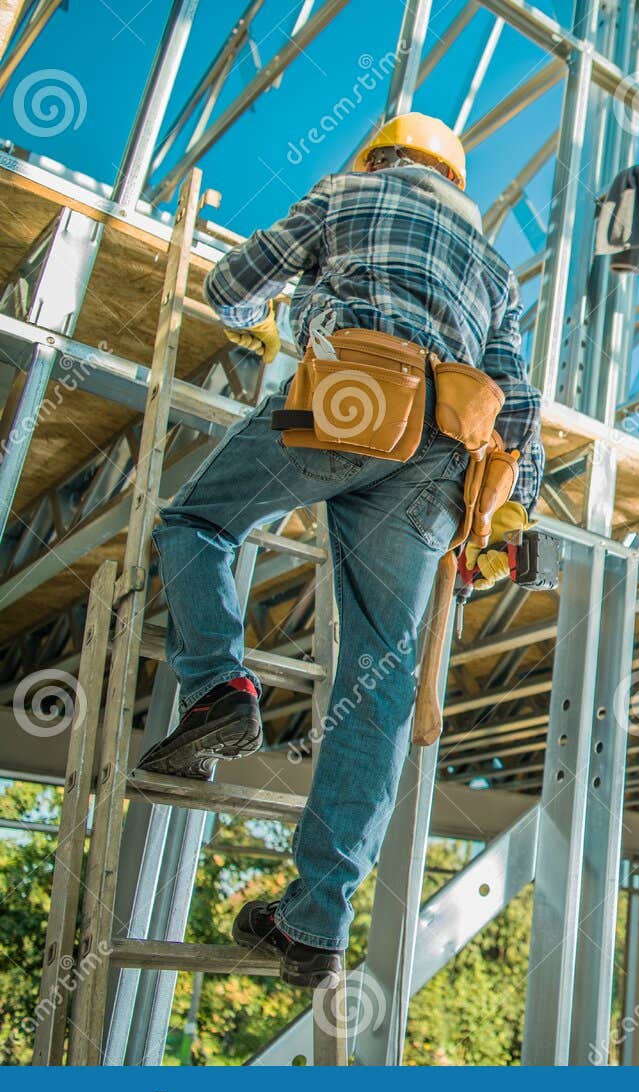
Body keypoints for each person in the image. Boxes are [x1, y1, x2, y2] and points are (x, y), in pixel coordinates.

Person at [137, 113, 542, 987]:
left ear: (383, 158)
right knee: (381, 687)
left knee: (198, 523)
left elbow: (232, 283)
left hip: (351, 395)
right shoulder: (499, 272)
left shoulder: (347, 193)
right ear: (456, 182)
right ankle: (315, 922)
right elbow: (516, 412)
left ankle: (216, 689)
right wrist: (508, 519)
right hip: (443, 453)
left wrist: (260, 317)